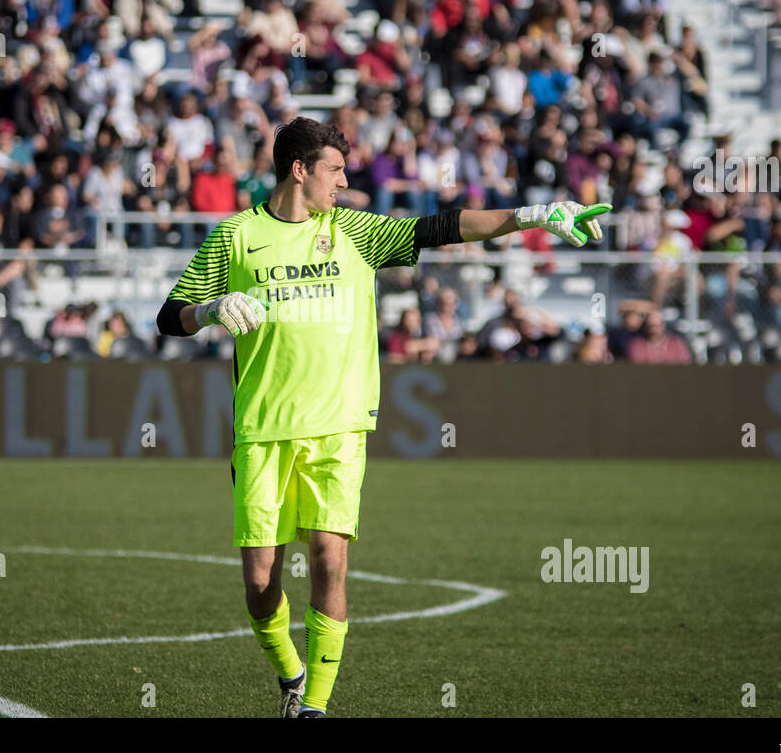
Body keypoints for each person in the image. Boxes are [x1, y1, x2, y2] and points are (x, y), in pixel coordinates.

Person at [155, 117, 610, 718]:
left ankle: (315, 707)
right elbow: (169, 316)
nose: (345, 182)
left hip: (339, 427)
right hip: (263, 430)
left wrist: (531, 216)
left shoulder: (355, 231)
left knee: (330, 560)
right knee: (261, 586)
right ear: (299, 170)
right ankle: (291, 673)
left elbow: (442, 227)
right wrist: (211, 309)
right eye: (335, 170)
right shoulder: (236, 236)